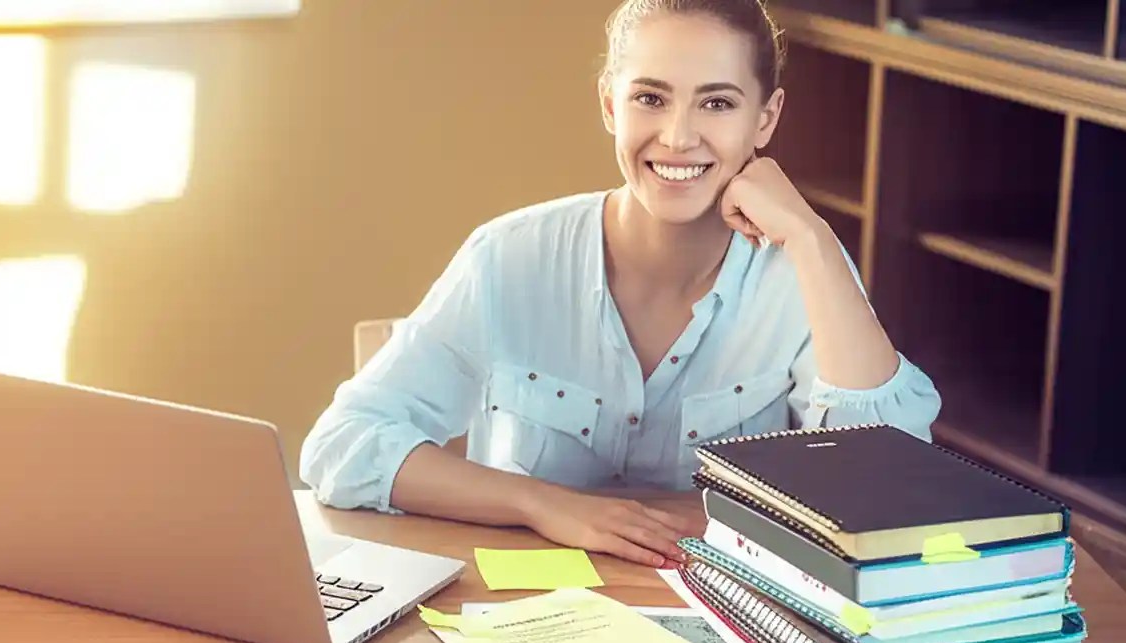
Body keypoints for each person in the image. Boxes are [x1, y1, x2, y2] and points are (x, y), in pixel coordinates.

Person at [300, 0, 941, 569]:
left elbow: (885, 486)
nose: (679, 136)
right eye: (650, 98)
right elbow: (342, 445)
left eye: (716, 102)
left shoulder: (805, 275)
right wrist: (543, 505)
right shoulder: (509, 257)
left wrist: (811, 236)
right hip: (520, 620)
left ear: (766, 119)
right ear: (610, 102)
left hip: (727, 634)